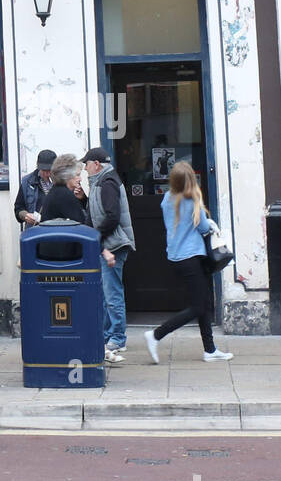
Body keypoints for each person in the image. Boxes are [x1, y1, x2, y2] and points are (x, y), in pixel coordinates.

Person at [144, 161, 233, 363]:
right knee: (199, 307)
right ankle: (156, 335)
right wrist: (209, 222)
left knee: (204, 303)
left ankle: (210, 350)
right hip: (192, 257)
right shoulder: (191, 199)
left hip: (177, 257)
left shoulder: (167, 198)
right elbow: (202, 227)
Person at [83, 146, 135, 365]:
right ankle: (108, 336)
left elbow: (112, 216)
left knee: (112, 294)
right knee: (106, 294)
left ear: (96, 165)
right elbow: (95, 214)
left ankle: (117, 338)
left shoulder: (108, 183)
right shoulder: (100, 183)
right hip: (108, 244)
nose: (84, 169)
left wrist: (95, 235)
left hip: (114, 245)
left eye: (86, 164)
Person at [39, 154, 89, 225]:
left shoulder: (57, 191)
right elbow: (80, 223)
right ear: (67, 176)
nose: (80, 179)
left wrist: (82, 199)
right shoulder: (64, 195)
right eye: (77, 175)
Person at [13, 149, 56, 226]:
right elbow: (18, 208)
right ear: (38, 167)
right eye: (44, 170)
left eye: (50, 170)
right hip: (35, 230)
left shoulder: (62, 181)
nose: (47, 173)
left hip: (57, 228)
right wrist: (25, 215)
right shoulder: (28, 181)